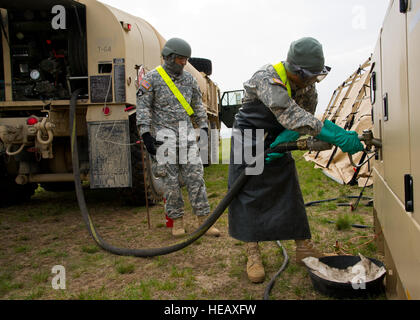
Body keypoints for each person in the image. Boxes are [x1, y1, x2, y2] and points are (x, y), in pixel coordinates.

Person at [228, 37, 364, 283]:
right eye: (311, 76)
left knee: (289, 189)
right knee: (249, 192)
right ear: (296, 71)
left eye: (317, 76)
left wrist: (288, 141)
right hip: (251, 137)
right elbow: (292, 115)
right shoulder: (266, 77)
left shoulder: (308, 87)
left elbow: (306, 118)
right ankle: (253, 253)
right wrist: (334, 133)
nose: (314, 82)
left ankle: (303, 247)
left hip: (281, 134)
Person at [136, 38, 220, 238]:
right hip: (163, 140)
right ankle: (178, 222)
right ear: (169, 57)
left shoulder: (189, 79)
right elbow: (143, 108)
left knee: (196, 179)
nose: (184, 63)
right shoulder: (152, 79)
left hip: (187, 138)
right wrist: (146, 134)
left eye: (186, 59)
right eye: (181, 59)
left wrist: (204, 128)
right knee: (170, 183)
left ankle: (203, 221)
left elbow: (198, 105)